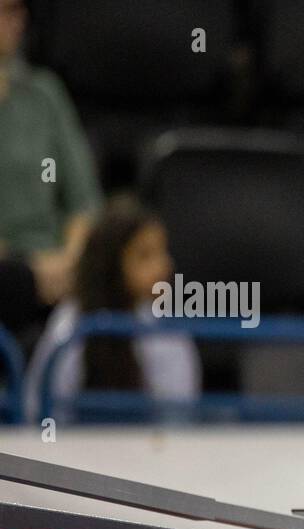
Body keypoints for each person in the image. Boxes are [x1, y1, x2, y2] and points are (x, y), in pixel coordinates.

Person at [24, 196, 201, 422]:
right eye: (145, 256)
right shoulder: (71, 326)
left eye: (162, 252)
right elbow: (40, 410)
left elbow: (179, 415)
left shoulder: (164, 328)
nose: (164, 266)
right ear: (110, 262)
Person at [0, 0, 102, 355]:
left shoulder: (45, 93)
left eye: (17, 11)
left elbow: (84, 201)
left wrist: (70, 261)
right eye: (2, 11)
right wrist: (24, 274)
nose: (14, 21)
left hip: (53, 268)